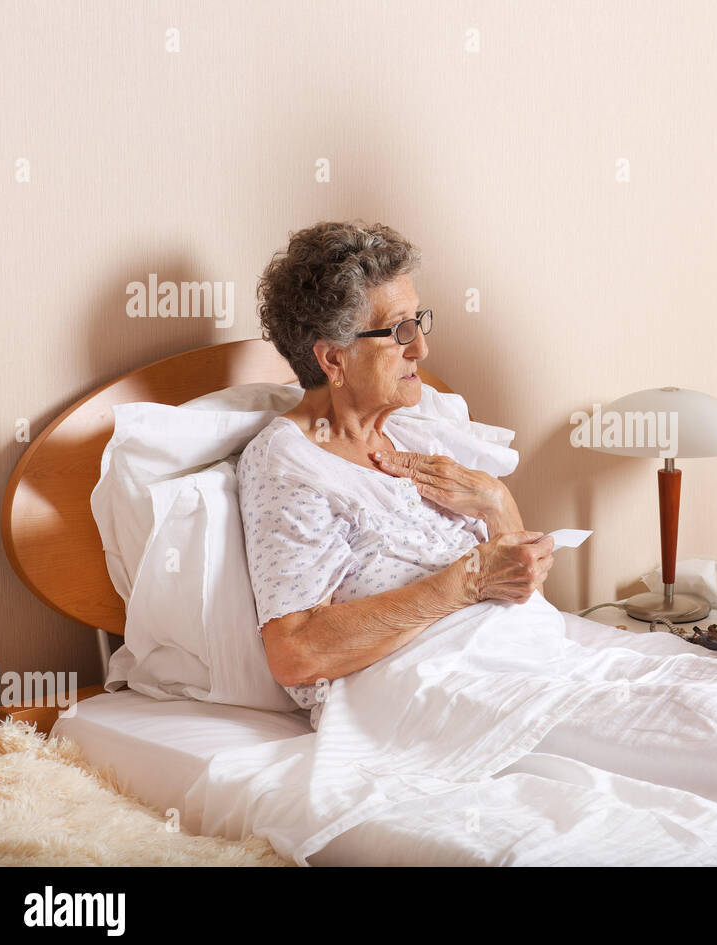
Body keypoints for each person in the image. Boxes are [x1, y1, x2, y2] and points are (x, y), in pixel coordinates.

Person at [237, 220, 555, 728]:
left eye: (419, 321)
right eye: (399, 330)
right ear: (334, 358)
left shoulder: (420, 427)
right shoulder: (289, 462)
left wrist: (494, 500)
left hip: (529, 658)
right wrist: (465, 584)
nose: (421, 349)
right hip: (432, 695)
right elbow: (294, 652)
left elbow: (524, 585)